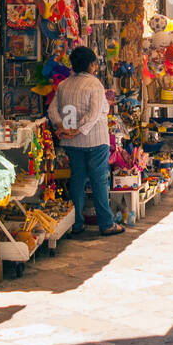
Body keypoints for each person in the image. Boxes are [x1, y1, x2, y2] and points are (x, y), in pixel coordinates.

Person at [47, 45, 124, 237]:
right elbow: (94, 113)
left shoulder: (64, 85)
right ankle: (106, 224)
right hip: (95, 140)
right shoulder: (94, 84)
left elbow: (52, 110)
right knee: (99, 181)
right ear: (91, 65)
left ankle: (76, 223)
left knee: (77, 181)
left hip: (72, 143)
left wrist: (62, 127)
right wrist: (78, 130)